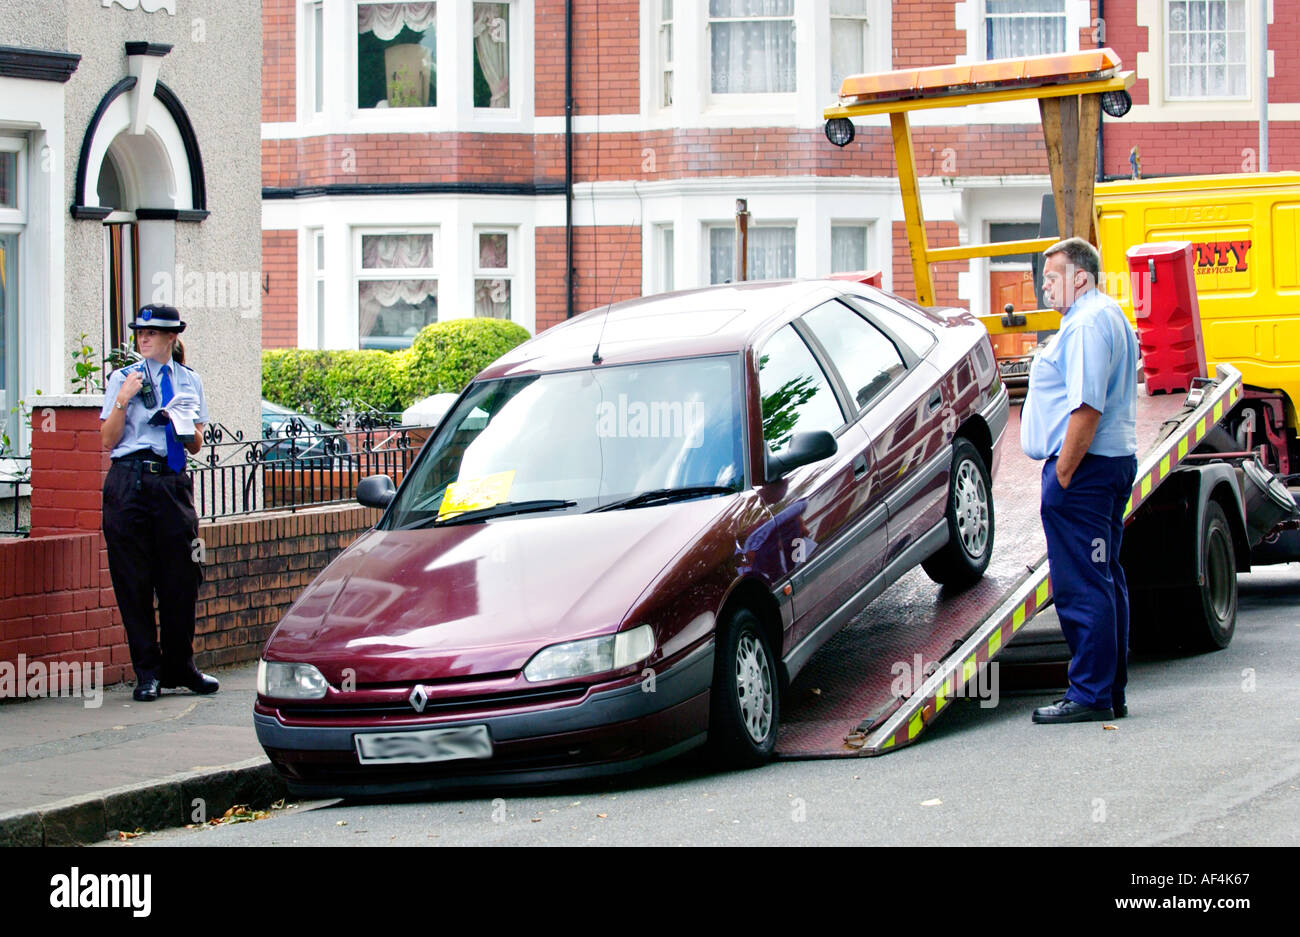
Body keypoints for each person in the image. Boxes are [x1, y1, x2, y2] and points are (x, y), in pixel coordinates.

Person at [1021, 237, 1138, 723]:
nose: (1044, 284)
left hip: (1084, 473)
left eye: (1053, 275)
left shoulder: (1088, 324)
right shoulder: (1105, 315)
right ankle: (1109, 691)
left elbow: (1086, 407)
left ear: (1082, 277)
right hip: (1107, 465)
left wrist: (1063, 473)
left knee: (1082, 584)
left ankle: (1090, 694)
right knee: (1105, 576)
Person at [100, 304, 219, 702]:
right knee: (133, 580)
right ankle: (147, 673)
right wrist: (123, 399)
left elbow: (198, 442)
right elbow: (107, 440)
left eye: (152, 334)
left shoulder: (189, 380)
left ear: (171, 338)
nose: (143, 339)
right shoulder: (123, 378)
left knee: (183, 576)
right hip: (129, 481)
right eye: (139, 333)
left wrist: (181, 425)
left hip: (170, 482)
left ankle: (181, 667)